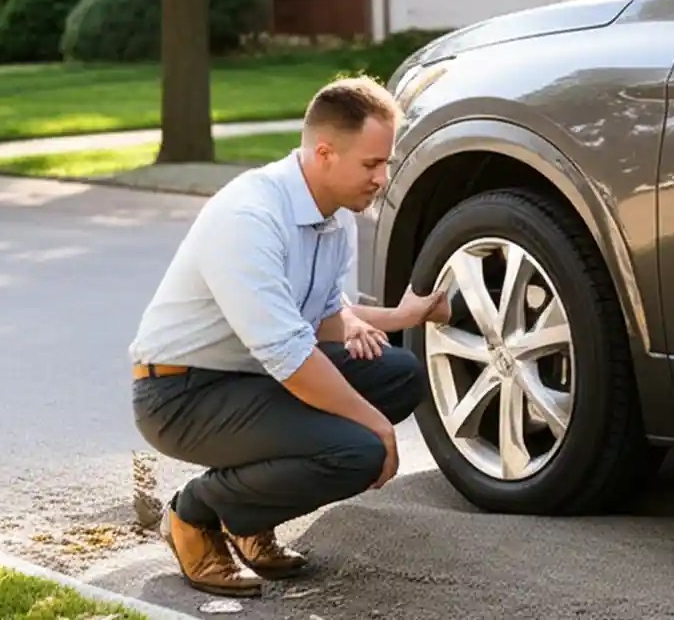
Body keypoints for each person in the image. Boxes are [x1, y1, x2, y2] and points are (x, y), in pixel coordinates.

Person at [127, 76, 449, 597]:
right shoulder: (249, 217)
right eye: (372, 164)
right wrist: (378, 429)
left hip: (251, 377)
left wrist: (404, 317)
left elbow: (322, 319)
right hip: (180, 395)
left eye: (385, 162)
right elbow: (290, 355)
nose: (383, 178)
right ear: (325, 153)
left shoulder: (333, 215)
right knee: (360, 450)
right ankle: (194, 513)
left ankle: (248, 516)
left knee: (398, 376)